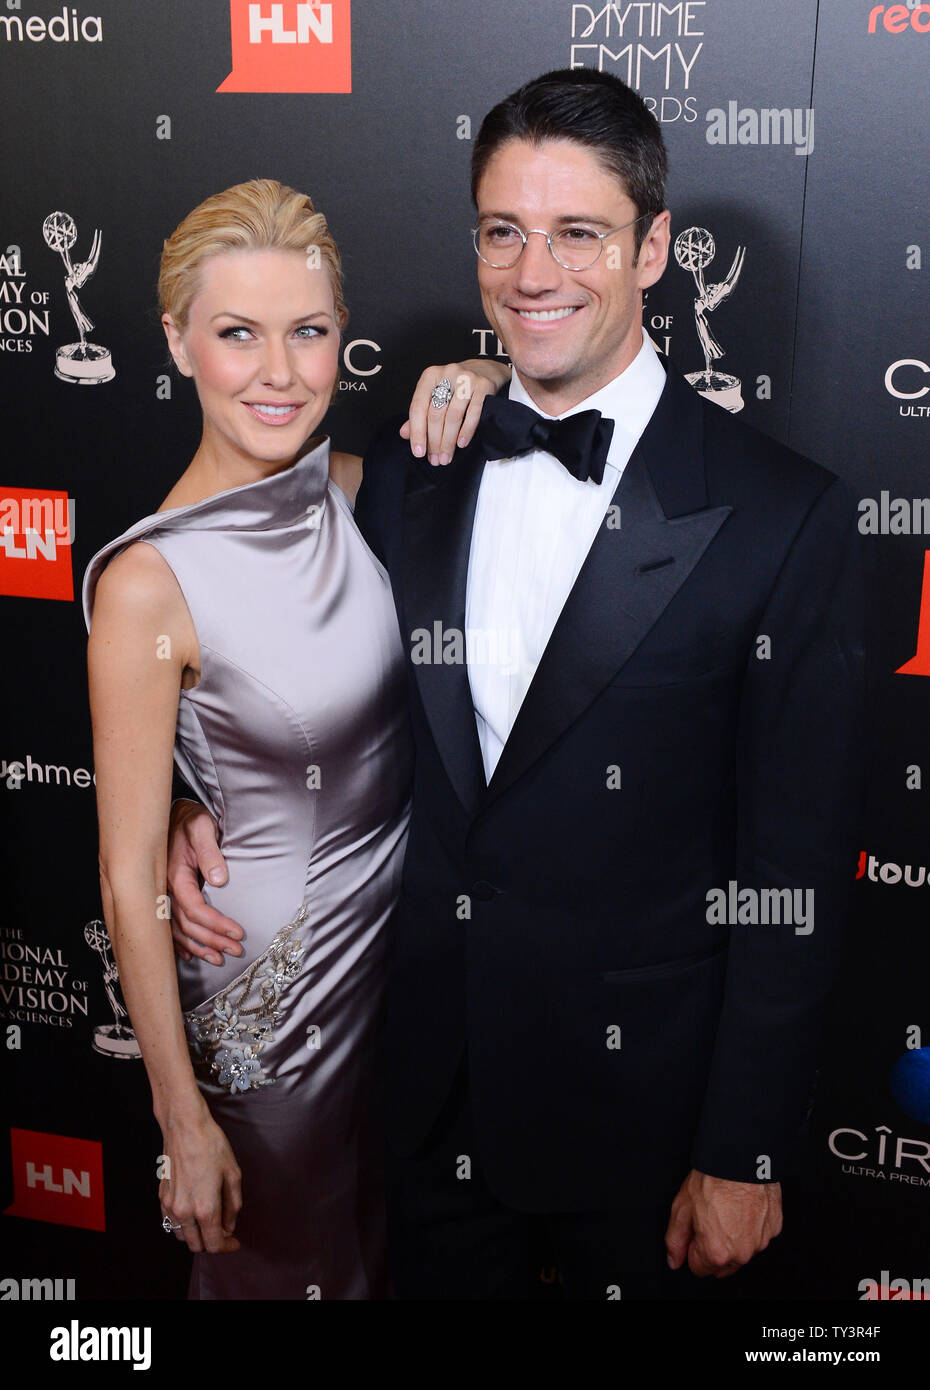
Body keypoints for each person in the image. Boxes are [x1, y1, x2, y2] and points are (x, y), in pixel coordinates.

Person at [168, 72, 866, 1299]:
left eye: (578, 234)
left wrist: (744, 1149)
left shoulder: (782, 515)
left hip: (644, 1126)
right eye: (504, 231)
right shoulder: (415, 464)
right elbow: (267, 636)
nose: (533, 271)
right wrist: (195, 799)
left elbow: (794, 872)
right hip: (421, 1093)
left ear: (653, 248)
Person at [82, 178, 507, 1300]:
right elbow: (130, 879)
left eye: (308, 332)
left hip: (396, 989)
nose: (279, 372)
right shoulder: (146, 581)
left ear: (340, 343)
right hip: (268, 1014)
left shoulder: (356, 494)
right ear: (177, 341)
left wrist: (487, 373)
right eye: (237, 334)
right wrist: (181, 1119)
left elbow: (556, 403)